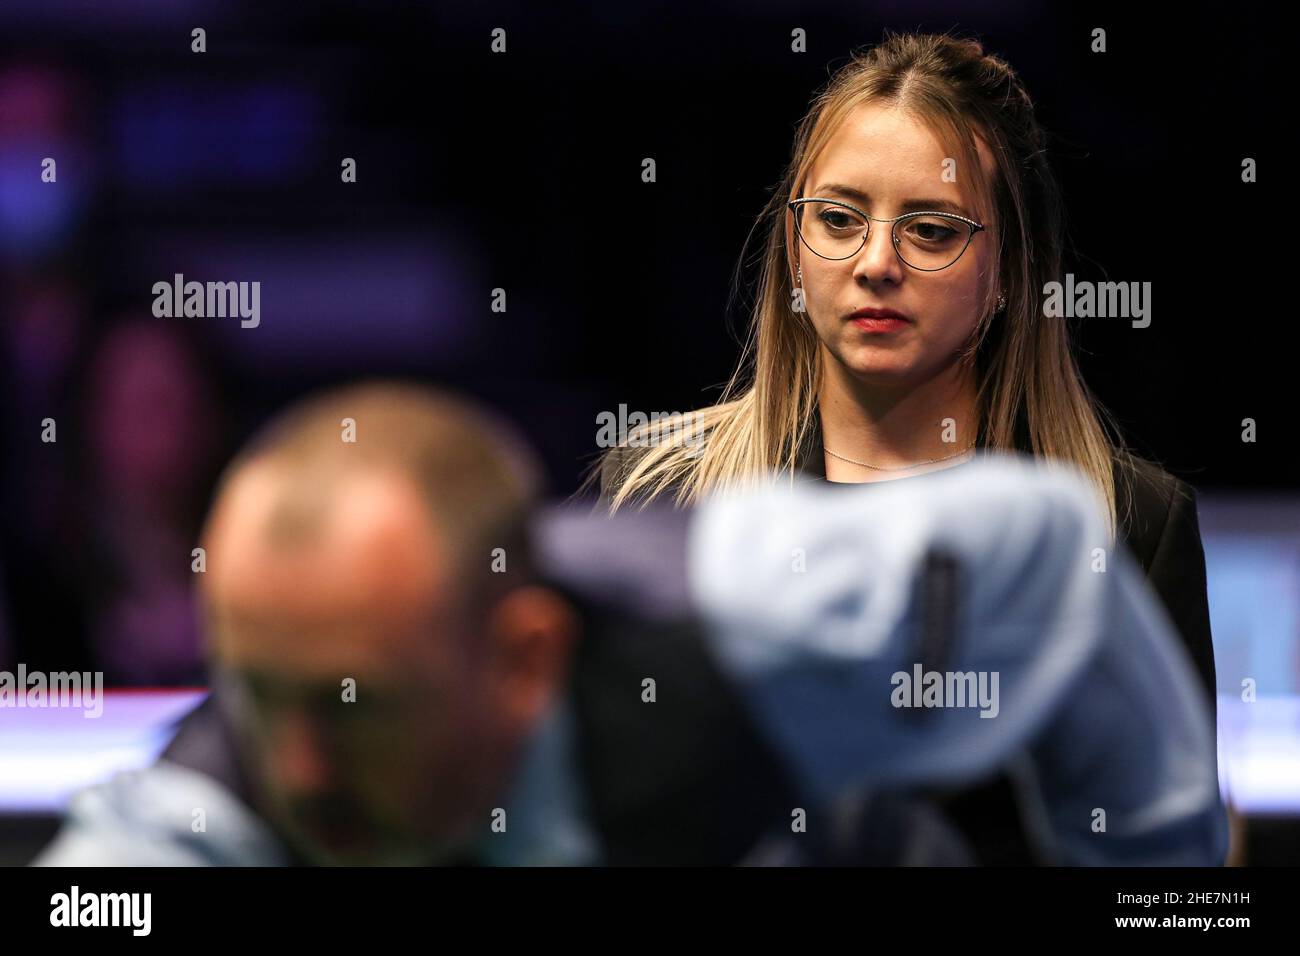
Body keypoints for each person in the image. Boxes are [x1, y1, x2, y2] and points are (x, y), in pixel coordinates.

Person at [34, 381, 1226, 866]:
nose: (293, 765)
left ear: (523, 657)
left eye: (355, 702)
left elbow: (1048, 549)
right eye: (255, 688)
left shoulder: (758, 613)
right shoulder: (191, 825)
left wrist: (1155, 875)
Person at [595, 33, 1217, 717]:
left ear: (1009, 270)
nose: (876, 262)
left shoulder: (1126, 528)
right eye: (837, 219)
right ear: (793, 247)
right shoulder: (661, 494)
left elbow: (1161, 820)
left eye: (931, 230)